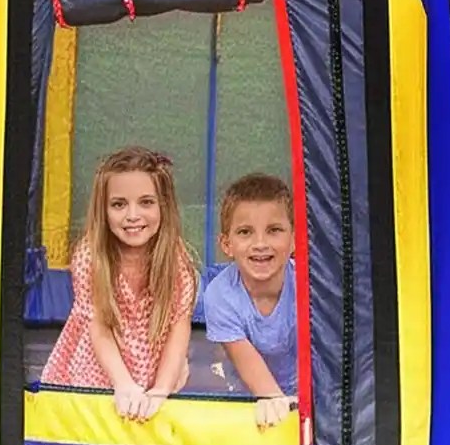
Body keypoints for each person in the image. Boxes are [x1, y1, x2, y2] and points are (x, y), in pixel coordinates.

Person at [40, 146, 198, 423]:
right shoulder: (91, 257)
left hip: (152, 363)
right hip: (100, 368)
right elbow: (99, 327)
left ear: (164, 206)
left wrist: (161, 390)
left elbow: (178, 326)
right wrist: (123, 384)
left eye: (146, 202)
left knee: (150, 420)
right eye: (119, 204)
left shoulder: (174, 259)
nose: (132, 215)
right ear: (104, 210)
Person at [203, 173, 299, 430]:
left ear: (294, 239)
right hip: (243, 395)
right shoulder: (219, 295)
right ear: (227, 244)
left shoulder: (309, 285)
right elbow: (263, 387)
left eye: (274, 230)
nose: (260, 244)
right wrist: (274, 399)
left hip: (306, 392)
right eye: (245, 232)